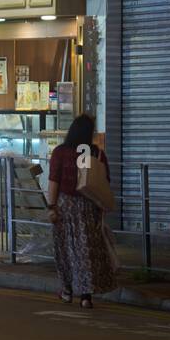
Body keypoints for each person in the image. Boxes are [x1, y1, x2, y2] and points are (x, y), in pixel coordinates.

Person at [46, 113, 118, 309]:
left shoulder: (60, 152)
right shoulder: (93, 152)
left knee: (65, 250)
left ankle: (67, 291)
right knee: (85, 252)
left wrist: (51, 207)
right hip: (88, 207)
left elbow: (54, 181)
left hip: (64, 207)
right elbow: (101, 181)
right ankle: (86, 296)